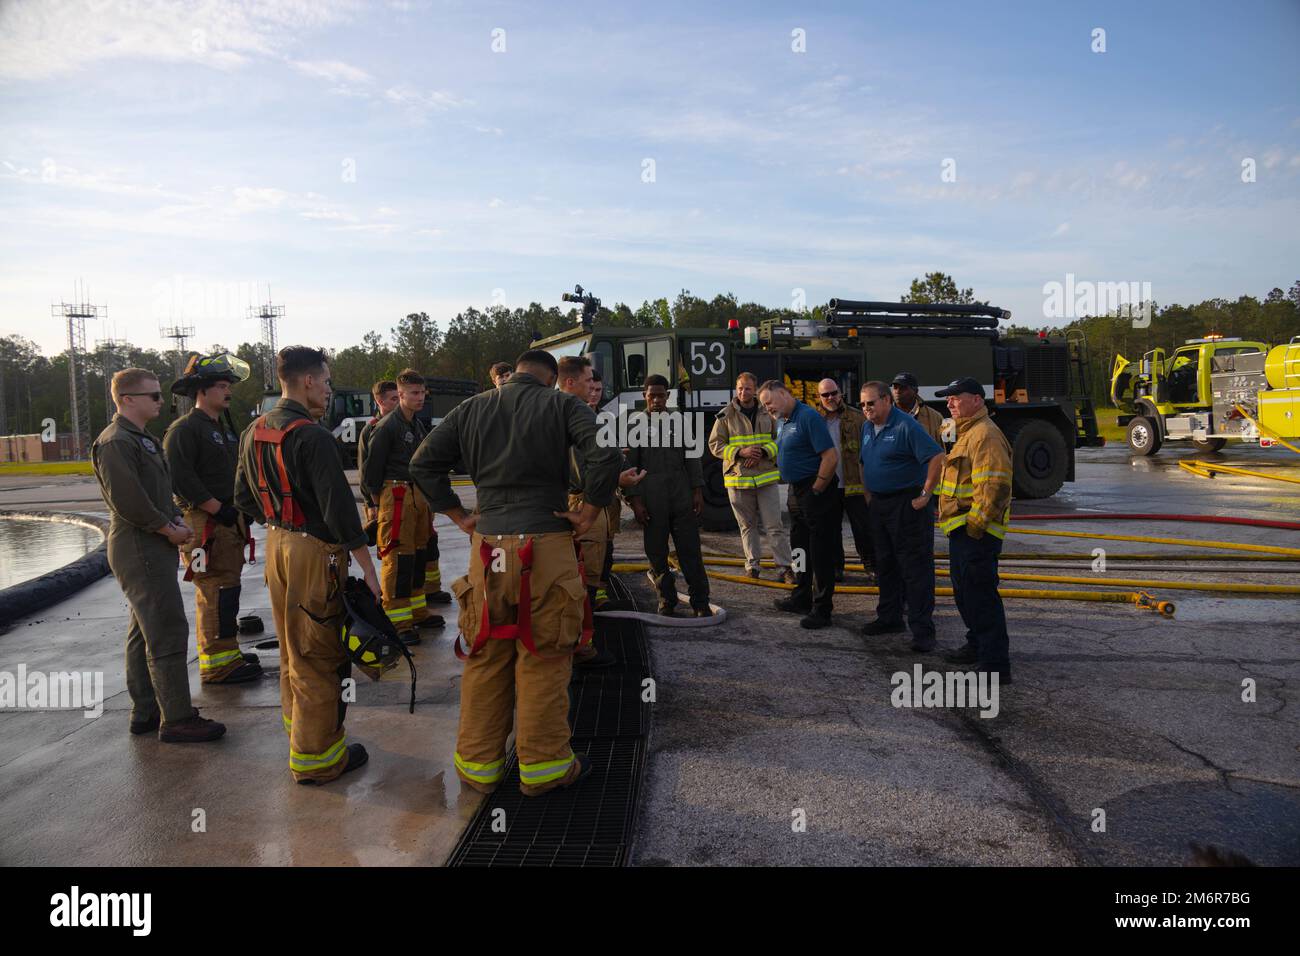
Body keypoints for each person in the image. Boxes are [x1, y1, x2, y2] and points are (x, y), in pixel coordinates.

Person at [410, 348, 622, 795]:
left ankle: (478, 767)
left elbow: (423, 463)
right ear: (550, 379)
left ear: (515, 374)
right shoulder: (562, 404)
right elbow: (604, 457)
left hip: (487, 548)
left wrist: (458, 515)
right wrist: (588, 511)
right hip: (544, 546)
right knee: (544, 655)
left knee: (486, 651)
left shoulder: (473, 407)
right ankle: (543, 769)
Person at [234, 346, 382, 784]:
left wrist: (279, 523)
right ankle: (318, 759)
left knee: (291, 648)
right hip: (314, 552)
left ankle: (298, 731)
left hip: (276, 545)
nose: (330, 389)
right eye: (328, 380)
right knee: (319, 653)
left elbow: (242, 499)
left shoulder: (252, 431)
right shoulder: (314, 437)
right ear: (308, 382)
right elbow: (340, 512)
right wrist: (369, 570)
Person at [92, 368, 226, 742]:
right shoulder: (117, 441)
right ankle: (178, 718)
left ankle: (148, 710)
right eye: (153, 396)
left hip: (152, 541)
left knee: (143, 630)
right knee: (167, 629)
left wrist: (177, 519)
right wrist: (170, 529)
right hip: (140, 543)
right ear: (128, 400)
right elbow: (130, 501)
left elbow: (157, 489)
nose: (160, 401)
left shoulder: (141, 439)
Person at [163, 352, 262, 684]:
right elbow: (180, 478)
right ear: (201, 391)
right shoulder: (185, 429)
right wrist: (217, 508)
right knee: (214, 589)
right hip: (204, 523)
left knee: (228, 589)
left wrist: (242, 512)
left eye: (228, 386)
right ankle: (216, 665)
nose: (228, 392)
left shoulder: (224, 429)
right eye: (221, 386)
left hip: (227, 521)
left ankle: (227, 652)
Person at [556, 355, 643, 667]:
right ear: (571, 381)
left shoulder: (584, 416)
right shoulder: (569, 415)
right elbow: (581, 472)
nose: (593, 391)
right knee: (582, 578)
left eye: (597, 386)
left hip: (592, 504)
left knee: (589, 571)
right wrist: (615, 477)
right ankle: (580, 646)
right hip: (581, 504)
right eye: (587, 382)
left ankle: (579, 639)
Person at [935, 378, 1014, 684]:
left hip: (976, 533)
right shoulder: (967, 434)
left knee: (980, 596)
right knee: (965, 593)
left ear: (978, 400)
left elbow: (994, 486)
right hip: (961, 530)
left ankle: (995, 663)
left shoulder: (985, 436)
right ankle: (977, 644)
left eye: (956, 398)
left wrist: (976, 526)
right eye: (948, 399)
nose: (950, 403)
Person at [857, 382, 946, 652]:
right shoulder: (867, 427)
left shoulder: (906, 425)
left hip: (906, 505)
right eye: (862, 405)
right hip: (880, 505)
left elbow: (936, 457)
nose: (866, 409)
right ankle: (889, 617)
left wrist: (926, 494)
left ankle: (923, 632)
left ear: (886, 400)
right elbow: (863, 461)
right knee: (886, 564)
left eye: (871, 403)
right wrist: (868, 495)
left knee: (915, 568)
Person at [359, 368, 445, 644]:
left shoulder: (415, 424)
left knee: (419, 555)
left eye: (422, 393)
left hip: (416, 495)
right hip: (394, 497)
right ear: (401, 394)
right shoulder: (387, 427)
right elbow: (371, 471)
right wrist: (376, 507)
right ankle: (397, 621)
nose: (420, 398)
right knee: (398, 557)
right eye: (413, 394)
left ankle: (417, 610)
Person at [624, 374, 712, 617]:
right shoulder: (634, 425)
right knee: (656, 554)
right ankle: (666, 600)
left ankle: (700, 602)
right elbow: (630, 467)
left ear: (667, 396)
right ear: (644, 396)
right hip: (652, 500)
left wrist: (697, 491)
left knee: (690, 551)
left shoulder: (681, 421)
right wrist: (635, 501)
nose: (656, 399)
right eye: (651, 395)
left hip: (681, 495)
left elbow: (692, 459)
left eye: (661, 395)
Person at [758, 379, 838, 629]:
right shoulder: (783, 420)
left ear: (783, 394)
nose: (767, 408)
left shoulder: (808, 417)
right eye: (764, 405)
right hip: (795, 490)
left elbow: (830, 457)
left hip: (814, 489)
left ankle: (822, 608)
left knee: (820, 551)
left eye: (769, 402)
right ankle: (801, 595)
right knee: (800, 548)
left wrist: (816, 489)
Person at [707, 372, 794, 583]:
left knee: (774, 526)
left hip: (765, 477)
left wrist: (763, 452)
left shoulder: (769, 411)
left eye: (747, 388)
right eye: (739, 388)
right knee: (747, 526)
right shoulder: (725, 416)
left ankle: (784, 568)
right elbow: (714, 445)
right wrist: (740, 453)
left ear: (755, 390)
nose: (743, 392)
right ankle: (752, 566)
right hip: (739, 479)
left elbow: (781, 438)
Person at [816, 377, 873, 584]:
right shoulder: (816, 421)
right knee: (831, 530)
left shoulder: (858, 419)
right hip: (828, 486)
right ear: (819, 397)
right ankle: (836, 568)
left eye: (834, 393)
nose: (830, 397)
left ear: (841, 394)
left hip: (854, 485)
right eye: (825, 394)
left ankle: (871, 567)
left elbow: (869, 452)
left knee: (864, 529)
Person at [358, 379, 398, 534]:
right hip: (380, 500)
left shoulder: (407, 425)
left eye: (399, 398)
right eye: (393, 399)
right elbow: (364, 470)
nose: (399, 403)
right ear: (380, 401)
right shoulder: (370, 430)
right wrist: (370, 504)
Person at [891, 372, 946, 445]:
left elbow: (946, 449)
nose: (897, 391)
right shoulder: (883, 415)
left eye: (903, 388)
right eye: (895, 387)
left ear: (915, 391)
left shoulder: (936, 417)